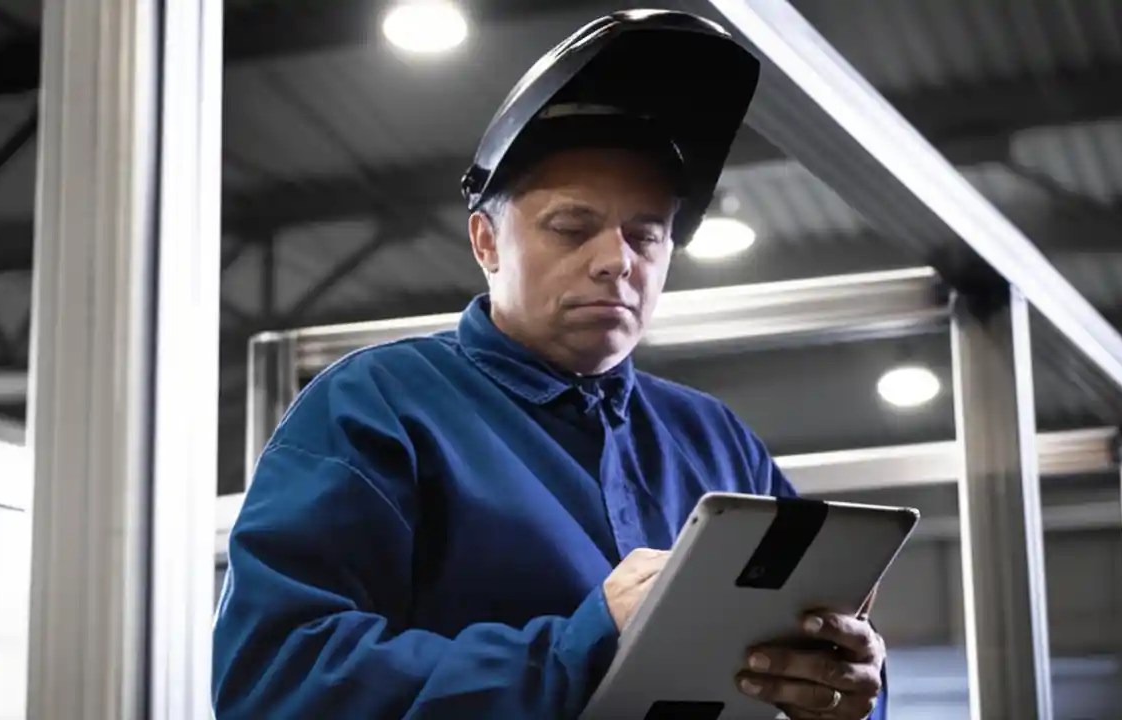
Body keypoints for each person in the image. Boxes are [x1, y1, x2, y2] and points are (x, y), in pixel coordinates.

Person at [213, 10, 888, 720]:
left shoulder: (713, 438)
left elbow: (809, 662)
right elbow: (277, 683)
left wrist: (845, 690)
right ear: (486, 241)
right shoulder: (375, 407)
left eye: (645, 234)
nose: (615, 261)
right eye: (572, 227)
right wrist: (586, 642)